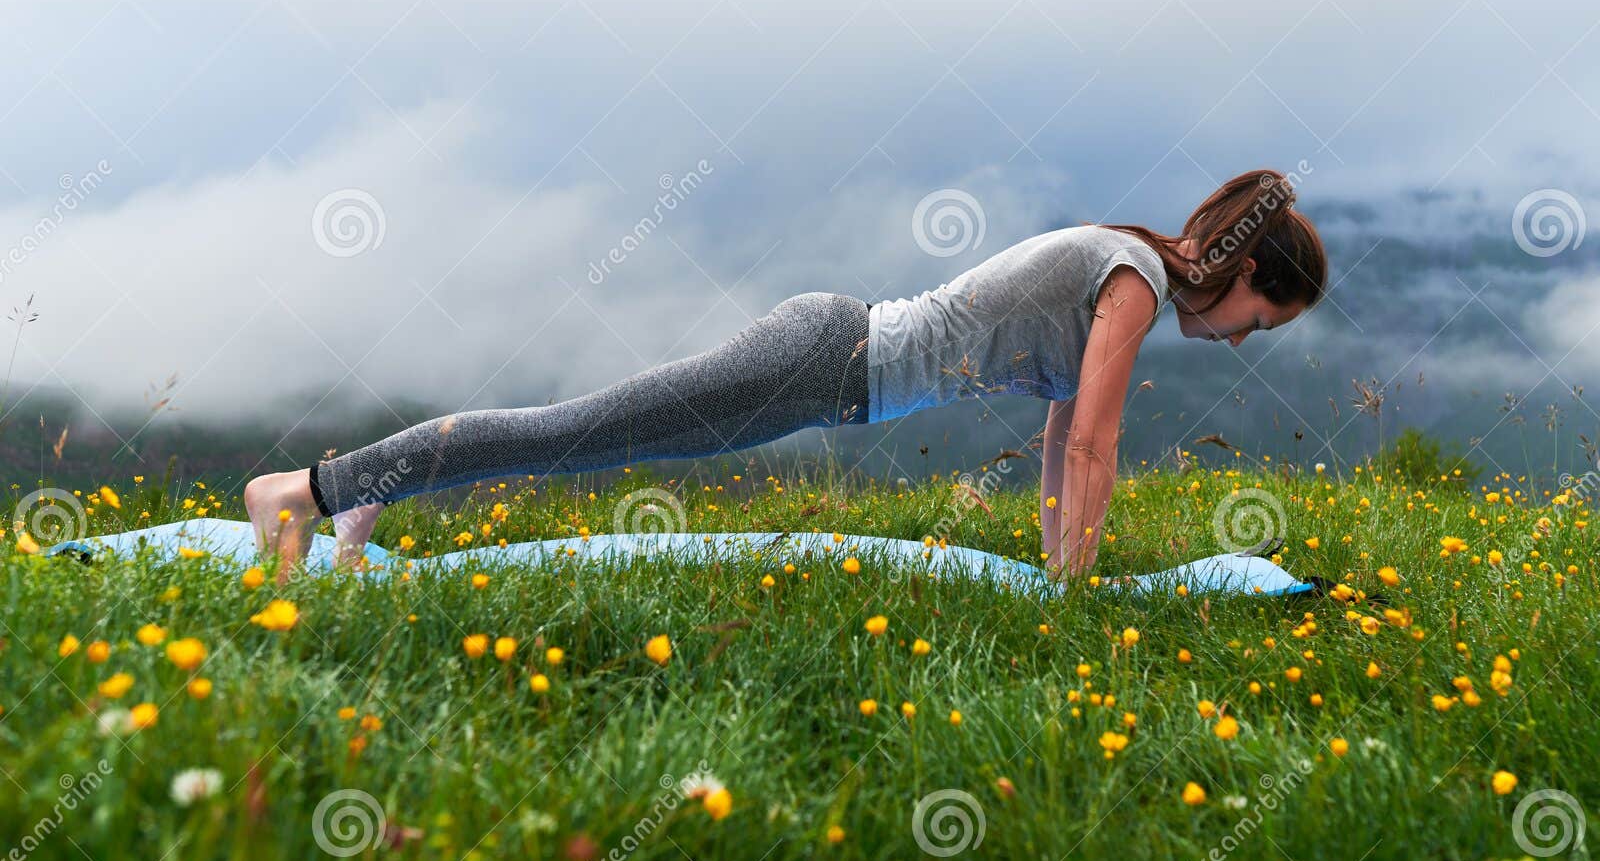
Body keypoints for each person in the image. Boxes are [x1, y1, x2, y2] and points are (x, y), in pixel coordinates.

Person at [244, 167, 1326, 579]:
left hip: (825, 369)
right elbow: (1094, 442)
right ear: (1246, 274)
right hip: (820, 361)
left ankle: (365, 489)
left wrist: (1061, 573)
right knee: (576, 431)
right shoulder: (1134, 277)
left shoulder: (1123, 269)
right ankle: (304, 491)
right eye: (1261, 318)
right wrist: (1081, 599)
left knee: (582, 430)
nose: (1246, 336)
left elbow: (1058, 443)